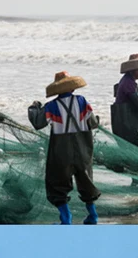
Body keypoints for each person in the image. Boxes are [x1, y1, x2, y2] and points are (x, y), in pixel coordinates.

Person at [28, 71, 100, 225]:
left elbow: (38, 123)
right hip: (83, 148)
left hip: (61, 150)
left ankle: (66, 218)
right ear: (72, 88)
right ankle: (93, 215)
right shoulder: (82, 101)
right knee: (86, 180)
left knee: (57, 182)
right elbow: (93, 123)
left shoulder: (52, 106)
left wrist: (34, 108)